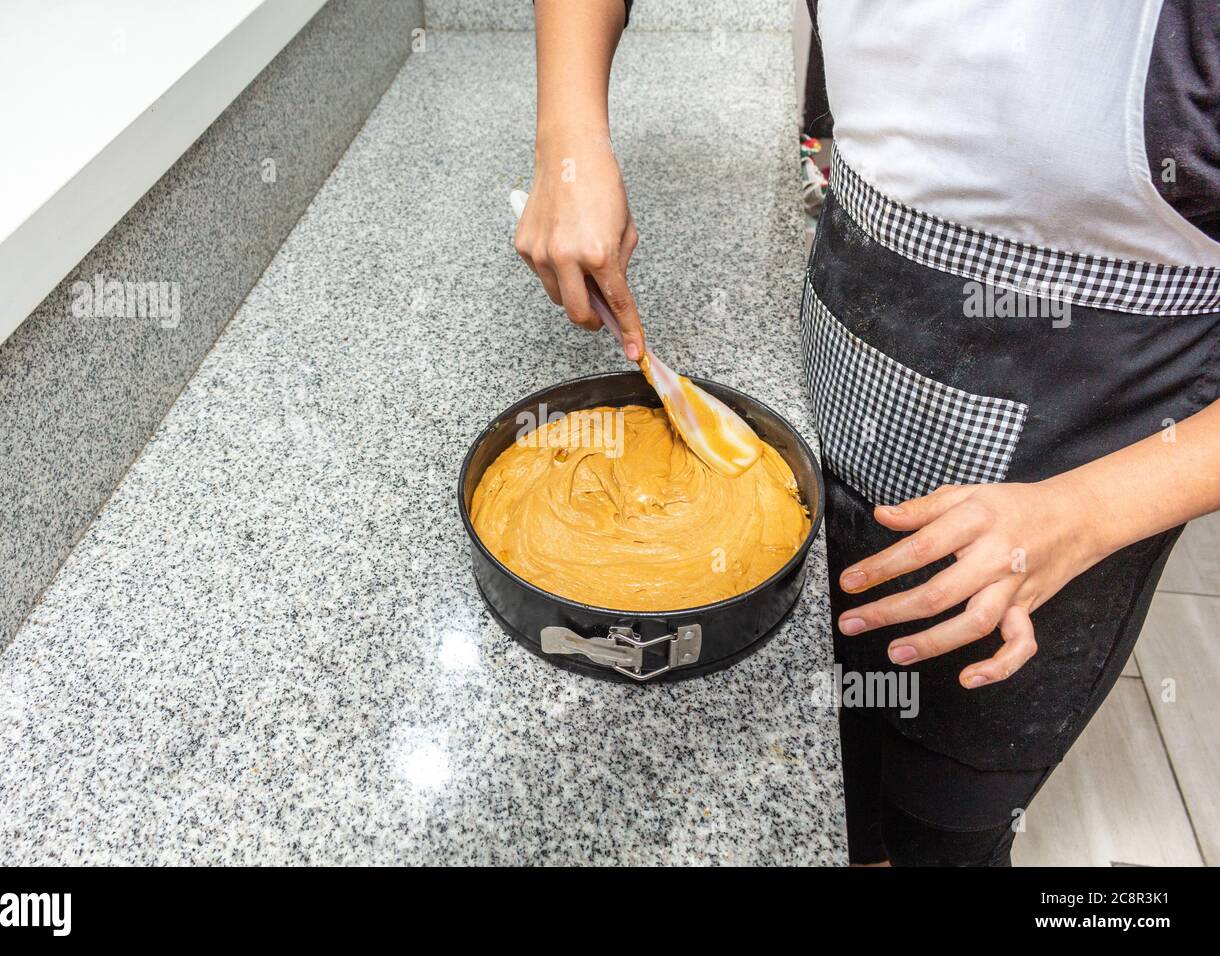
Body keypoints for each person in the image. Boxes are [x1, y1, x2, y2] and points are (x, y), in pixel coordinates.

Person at [515, 0, 1220, 866]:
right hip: (832, 416)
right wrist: (569, 138)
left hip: (1066, 508)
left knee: (940, 816)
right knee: (834, 769)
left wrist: (1087, 512)